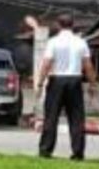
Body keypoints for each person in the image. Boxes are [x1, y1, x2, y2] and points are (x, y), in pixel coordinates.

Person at [36, 14, 95, 161]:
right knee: (76, 118)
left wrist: (40, 82)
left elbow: (46, 64)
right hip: (75, 80)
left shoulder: (53, 42)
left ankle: (45, 150)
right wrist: (93, 84)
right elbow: (88, 65)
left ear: (58, 25)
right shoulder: (81, 42)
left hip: (57, 80)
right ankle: (77, 152)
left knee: (51, 117)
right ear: (73, 24)